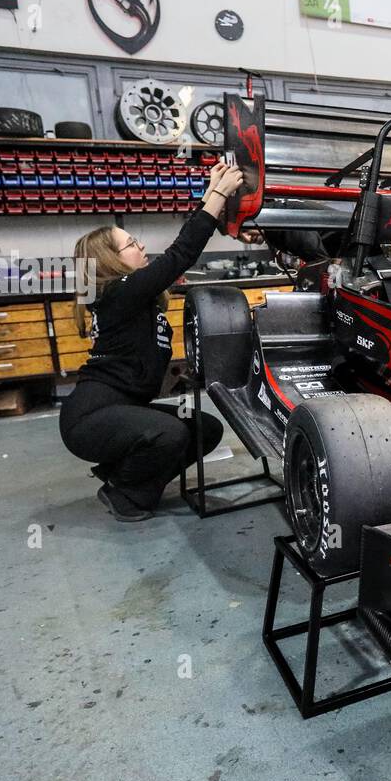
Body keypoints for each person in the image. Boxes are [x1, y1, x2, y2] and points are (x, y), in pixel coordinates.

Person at [60, 160, 245, 521]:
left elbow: (174, 258)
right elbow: (180, 255)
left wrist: (210, 193)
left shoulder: (130, 295)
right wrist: (219, 195)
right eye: (130, 243)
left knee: (204, 428)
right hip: (89, 417)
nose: (140, 245)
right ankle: (125, 494)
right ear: (111, 261)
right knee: (170, 433)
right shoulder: (118, 293)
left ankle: (123, 474)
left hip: (127, 408)